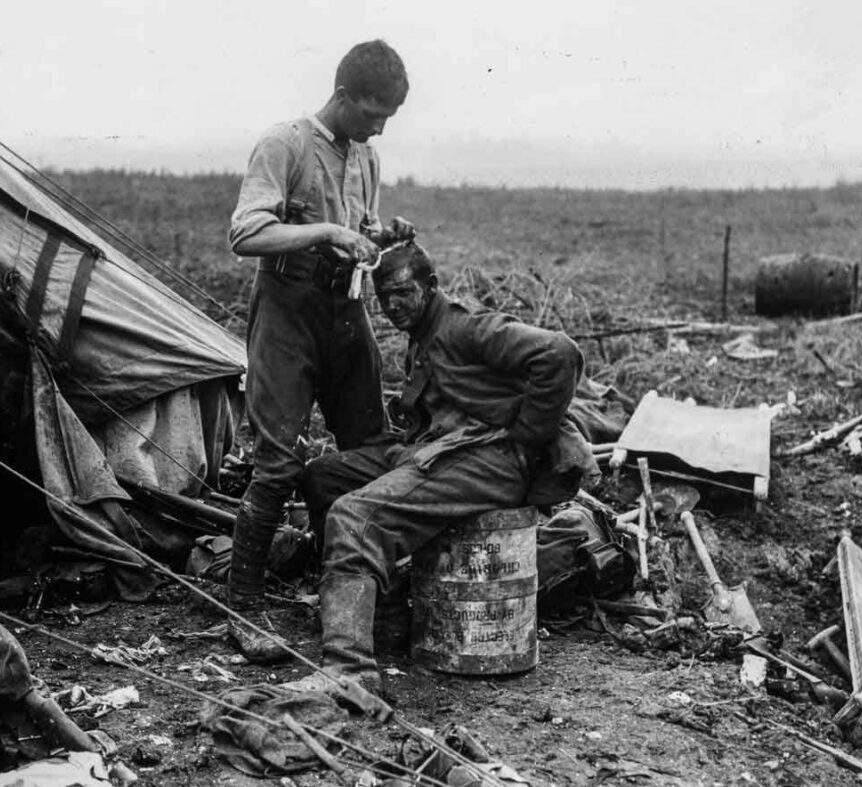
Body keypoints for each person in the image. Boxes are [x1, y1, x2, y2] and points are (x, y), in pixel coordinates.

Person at [286, 243, 595, 695]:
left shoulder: (464, 326)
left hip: (489, 459)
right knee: (323, 478)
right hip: (441, 449)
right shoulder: (424, 335)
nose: (392, 306)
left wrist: (527, 437)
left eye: (402, 293)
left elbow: (559, 354)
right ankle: (382, 623)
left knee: (355, 518)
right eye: (384, 298)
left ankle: (348, 669)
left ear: (430, 287)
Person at [226, 40, 416, 662]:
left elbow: (359, 228)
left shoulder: (367, 156)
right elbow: (246, 231)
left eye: (388, 116)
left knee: (369, 451)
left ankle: (337, 573)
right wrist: (327, 232)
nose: (378, 126)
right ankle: (244, 607)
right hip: (287, 311)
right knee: (278, 463)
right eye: (371, 112)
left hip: (345, 310)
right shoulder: (284, 143)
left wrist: (377, 235)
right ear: (340, 94)